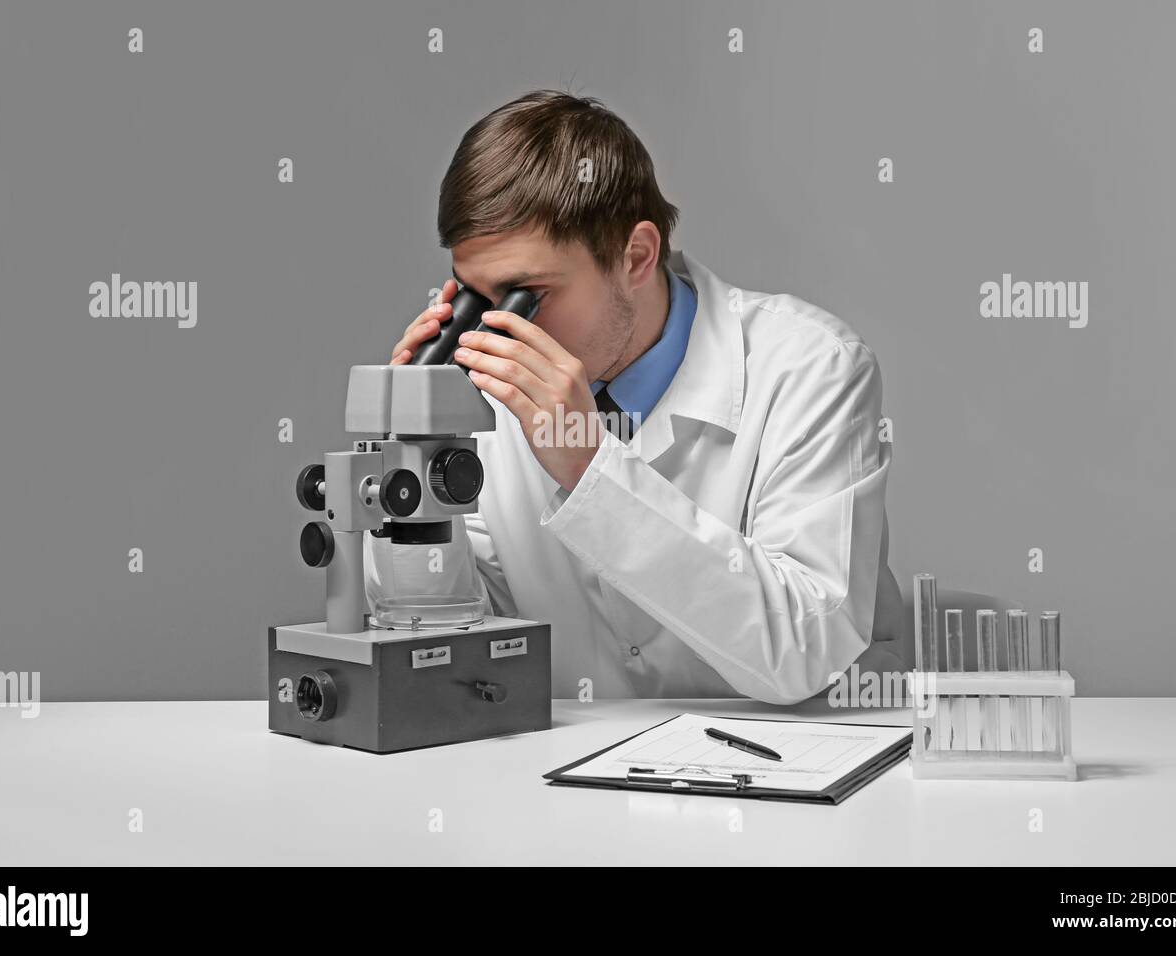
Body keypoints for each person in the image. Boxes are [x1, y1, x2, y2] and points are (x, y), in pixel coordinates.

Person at [387, 90, 905, 704]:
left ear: (636, 256)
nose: (495, 330)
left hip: (791, 771)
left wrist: (587, 468)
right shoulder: (485, 397)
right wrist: (416, 465)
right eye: (474, 297)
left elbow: (806, 650)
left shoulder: (810, 368)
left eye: (525, 293)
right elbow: (440, 637)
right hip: (562, 780)